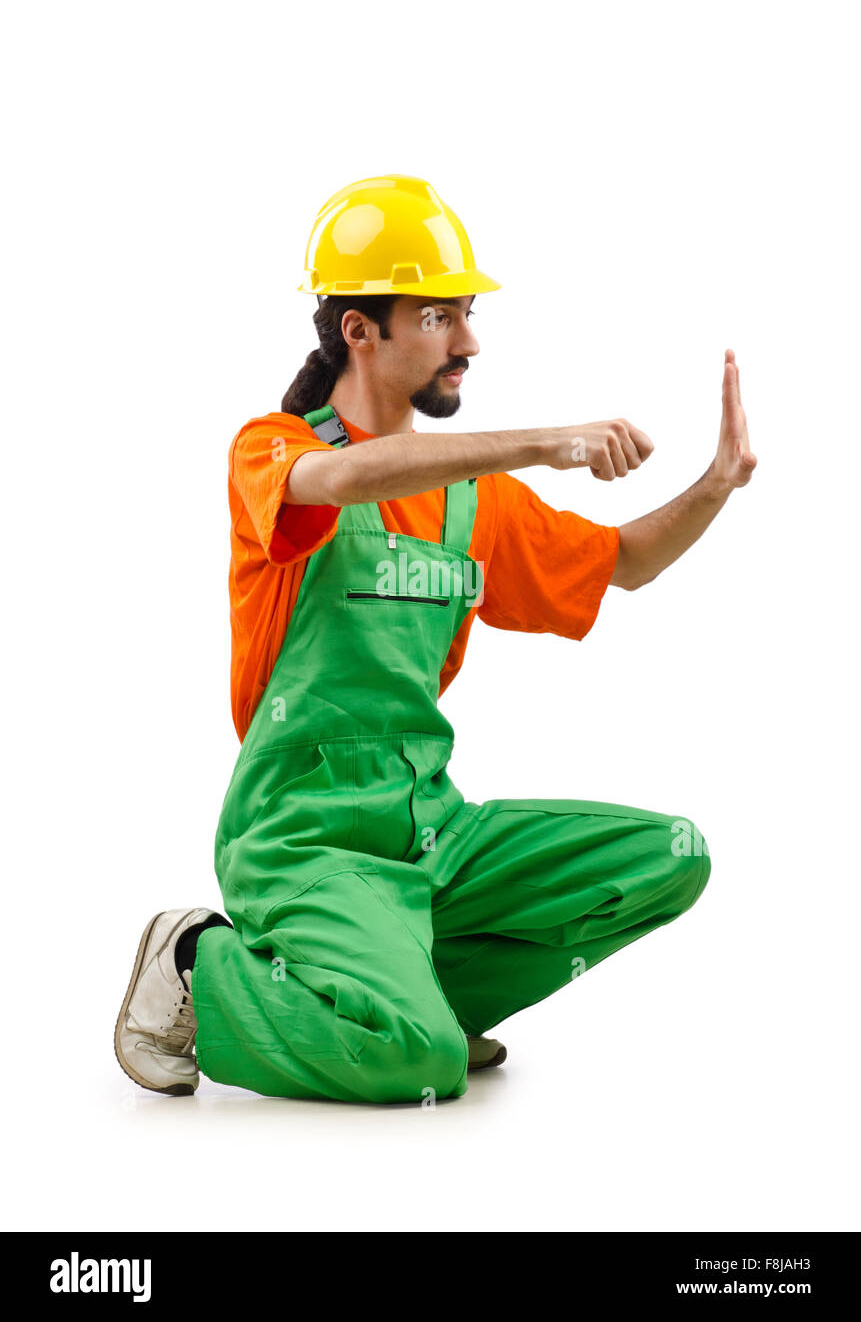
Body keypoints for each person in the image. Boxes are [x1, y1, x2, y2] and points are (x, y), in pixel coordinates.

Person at [115, 174, 756, 1104]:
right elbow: (339, 483)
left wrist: (716, 483)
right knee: (418, 1066)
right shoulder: (273, 448)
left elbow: (622, 562)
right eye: (437, 317)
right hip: (305, 838)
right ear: (358, 331)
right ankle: (196, 963)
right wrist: (543, 443)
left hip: (428, 830)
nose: (468, 341)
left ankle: (423, 993)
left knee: (669, 857)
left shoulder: (470, 497)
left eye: (464, 313)